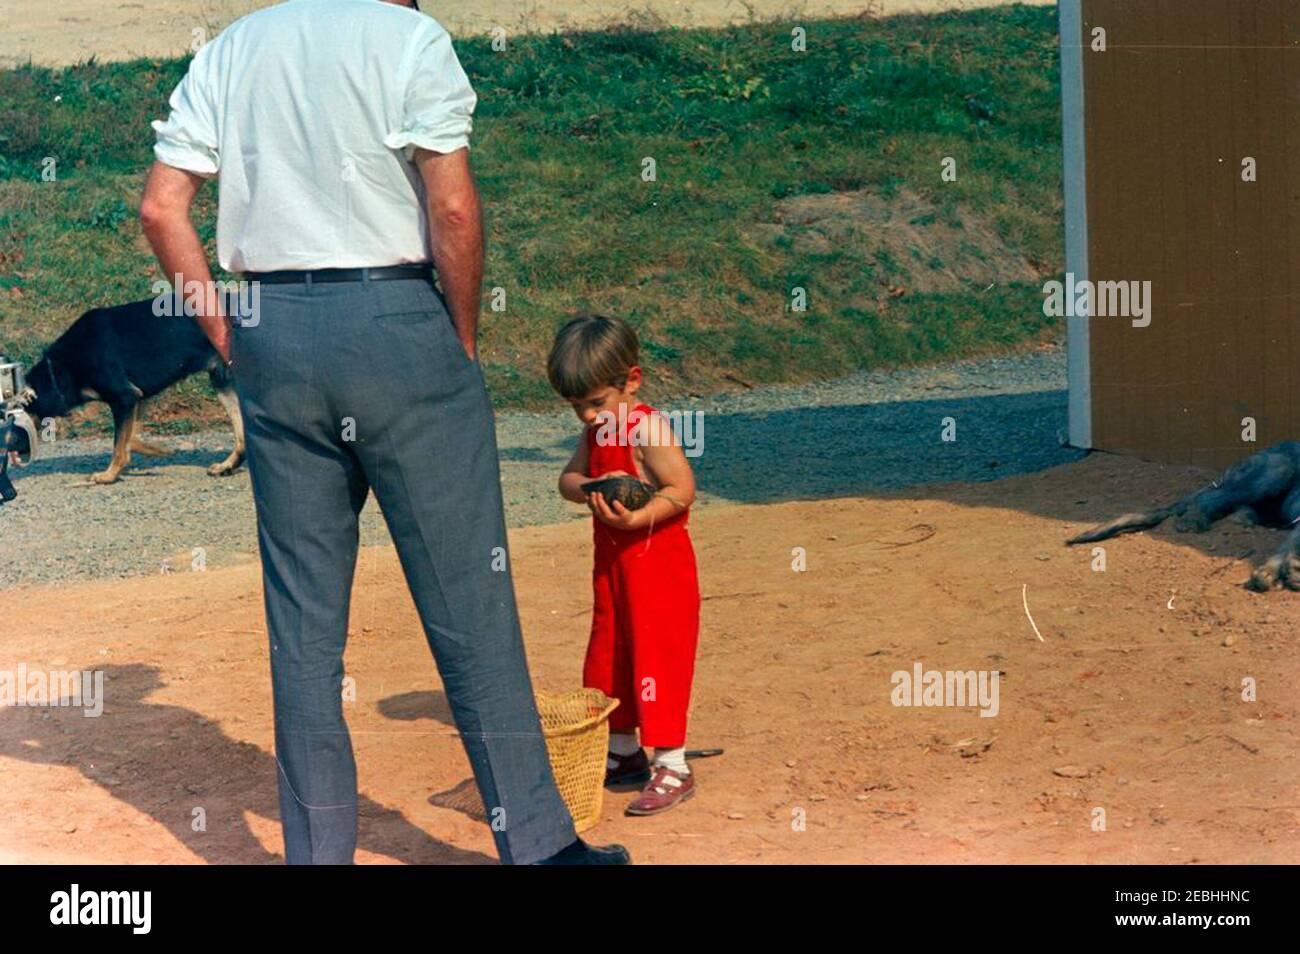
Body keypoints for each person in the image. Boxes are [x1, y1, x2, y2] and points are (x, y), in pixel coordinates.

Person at [140, 0, 627, 865]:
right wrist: (461, 341)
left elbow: (161, 210)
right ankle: (540, 847)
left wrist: (225, 331)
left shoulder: (232, 47)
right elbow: (451, 210)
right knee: (469, 601)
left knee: (303, 627)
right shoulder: (408, 38)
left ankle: (317, 856)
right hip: (397, 320)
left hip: (273, 332)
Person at [548, 315, 702, 815]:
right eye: (577, 407)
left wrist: (639, 515)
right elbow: (567, 481)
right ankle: (623, 751)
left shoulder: (646, 427)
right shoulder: (596, 432)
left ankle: (673, 763)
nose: (589, 416)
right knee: (608, 653)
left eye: (596, 402)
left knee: (658, 656)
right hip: (613, 569)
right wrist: (591, 488)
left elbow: (682, 490)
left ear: (631, 381)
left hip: (659, 566)